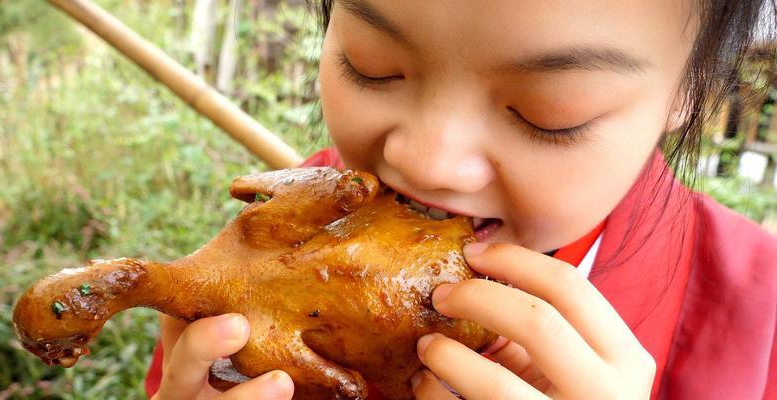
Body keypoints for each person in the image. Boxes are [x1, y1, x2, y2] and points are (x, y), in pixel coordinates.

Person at [146, 1, 777, 399]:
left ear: (688, 89)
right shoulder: (271, 246)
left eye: (549, 112)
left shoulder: (761, 321)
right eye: (372, 66)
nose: (428, 160)